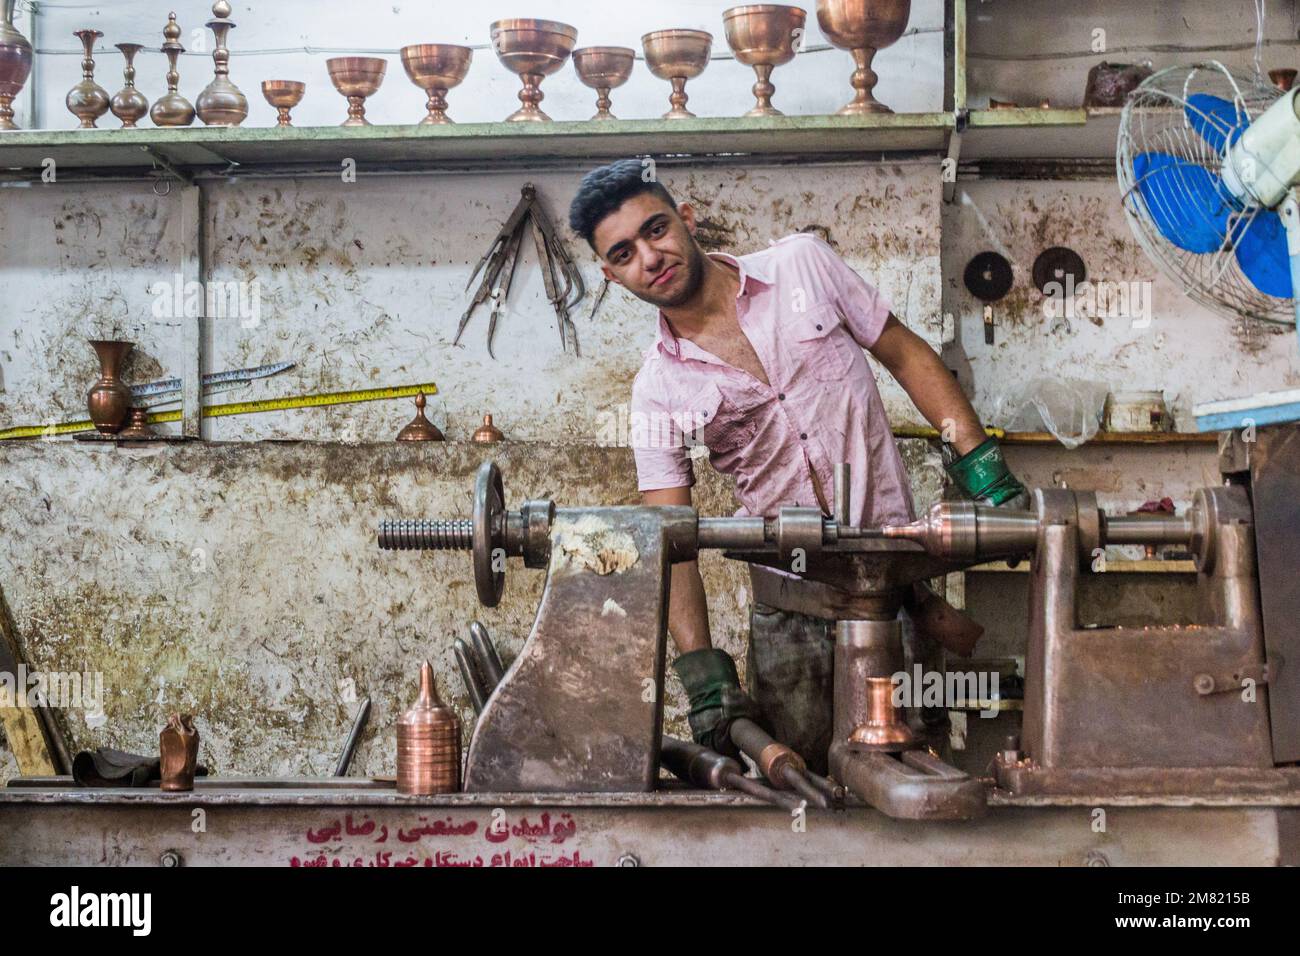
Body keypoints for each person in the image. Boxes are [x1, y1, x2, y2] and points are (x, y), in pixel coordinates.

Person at [568, 160, 1026, 773]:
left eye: (656, 229)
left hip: (895, 592)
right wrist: (701, 669)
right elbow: (669, 539)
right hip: (791, 618)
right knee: (803, 788)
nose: (650, 258)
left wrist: (979, 462)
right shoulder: (656, 389)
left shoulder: (803, 266)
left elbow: (905, 353)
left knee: (919, 774)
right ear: (610, 274)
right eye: (624, 254)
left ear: (687, 219)